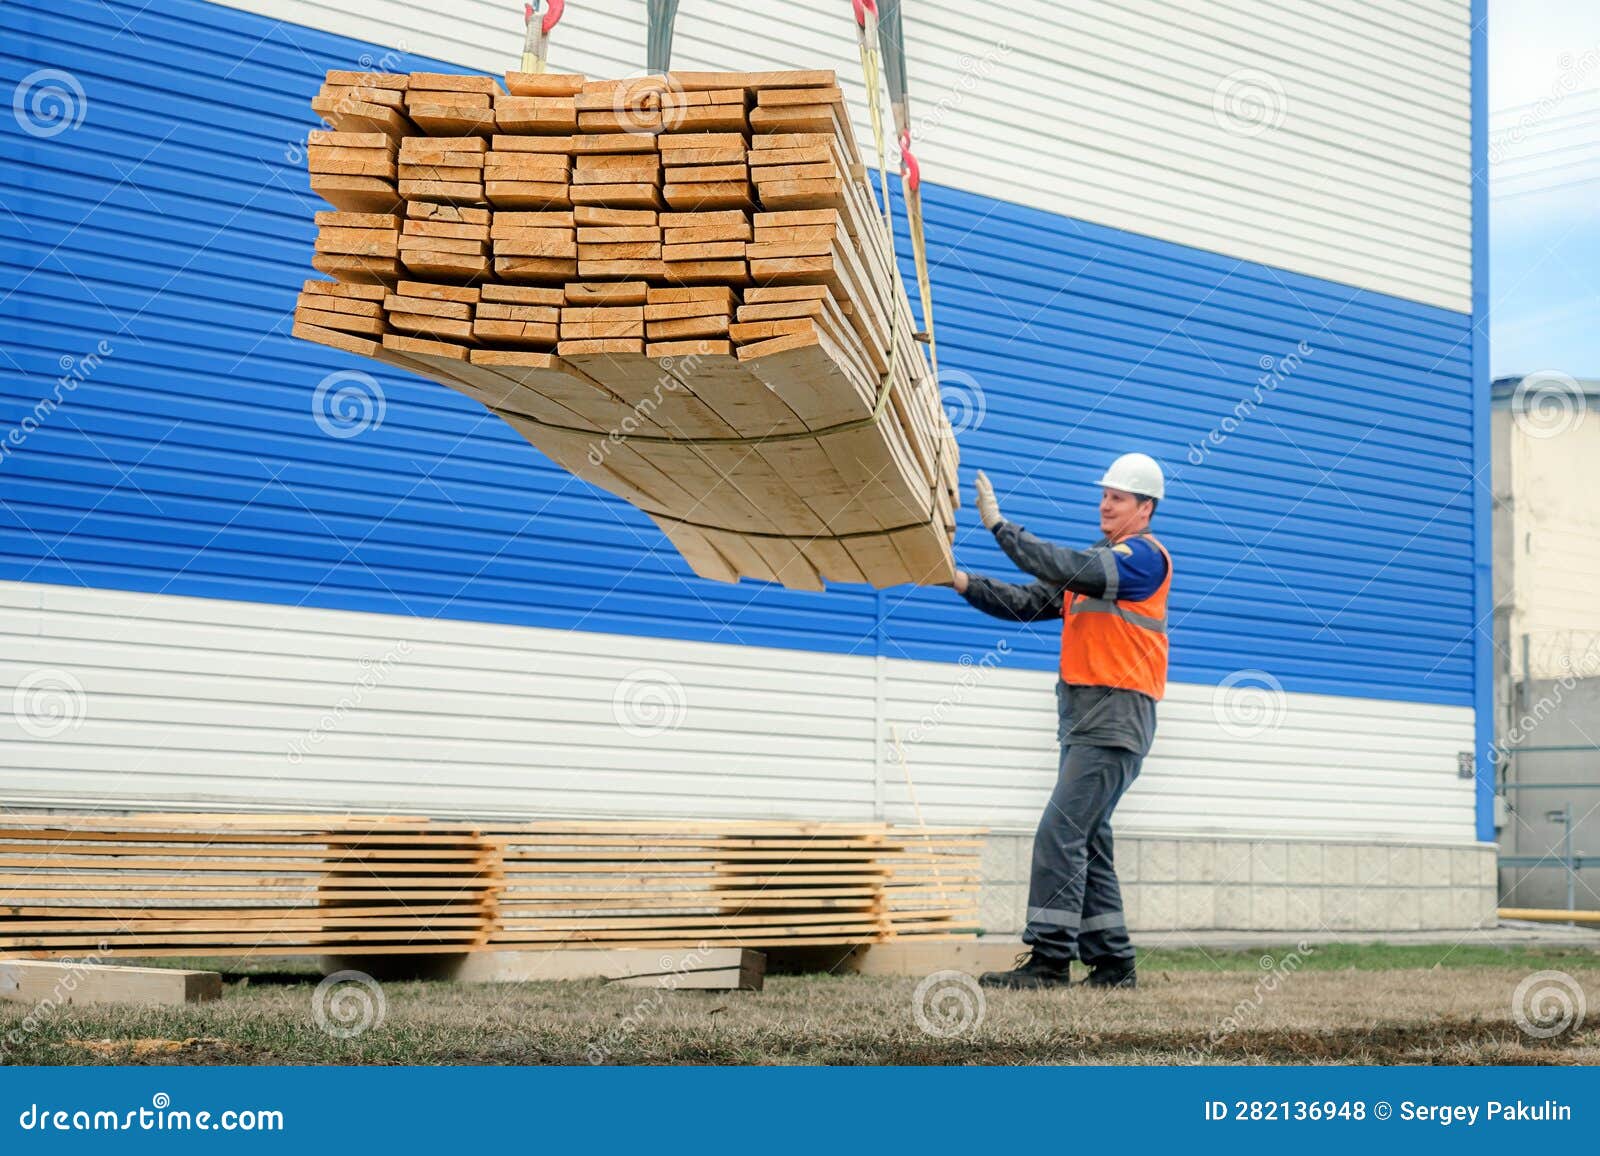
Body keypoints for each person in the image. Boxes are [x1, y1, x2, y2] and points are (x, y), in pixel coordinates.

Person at [952, 453, 1171, 990]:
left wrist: (1002, 529)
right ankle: (1113, 965)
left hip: (1115, 718)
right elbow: (1028, 603)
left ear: (1145, 508)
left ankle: (1050, 961)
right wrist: (958, 580)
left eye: (1117, 497)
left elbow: (1067, 566)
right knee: (1088, 839)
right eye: (1104, 495)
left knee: (1060, 832)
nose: (1105, 503)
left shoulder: (1142, 558)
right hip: (1088, 721)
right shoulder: (1097, 565)